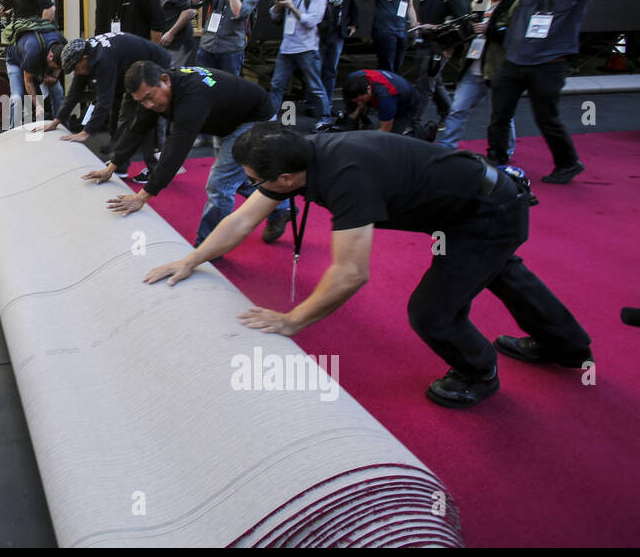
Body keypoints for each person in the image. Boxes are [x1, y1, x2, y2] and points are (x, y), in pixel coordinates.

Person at [143, 123, 593, 409]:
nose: (252, 186)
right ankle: (566, 346)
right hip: (467, 202)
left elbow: (352, 272)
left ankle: (479, 372)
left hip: (488, 212)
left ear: (285, 179)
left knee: (432, 311)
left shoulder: (346, 176)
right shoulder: (298, 157)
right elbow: (242, 218)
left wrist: (293, 320)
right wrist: (192, 259)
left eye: (255, 180)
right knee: (499, 271)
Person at [81, 62, 289, 246]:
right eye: (142, 101)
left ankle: (207, 247)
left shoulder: (191, 97)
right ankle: (281, 207)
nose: (149, 105)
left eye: (150, 98)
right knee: (240, 179)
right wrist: (111, 167)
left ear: (165, 80)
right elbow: (137, 129)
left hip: (252, 119)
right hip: (226, 118)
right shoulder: (153, 91)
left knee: (220, 183)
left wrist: (143, 196)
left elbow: (176, 149)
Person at [483, 0, 599, 184]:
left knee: (547, 118)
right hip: (515, 60)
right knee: (499, 113)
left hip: (550, 63)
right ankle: (497, 159)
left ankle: (568, 163)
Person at [37, 33, 170, 175]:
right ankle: (120, 165)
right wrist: (57, 120)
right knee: (125, 120)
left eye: (76, 68)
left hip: (156, 68)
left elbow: (104, 101)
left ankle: (157, 171)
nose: (76, 72)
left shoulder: (103, 60)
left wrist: (86, 132)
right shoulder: (83, 54)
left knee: (147, 121)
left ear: (84, 59)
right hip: (134, 74)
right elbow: (74, 93)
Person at [437, 0, 516, 155]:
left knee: (502, 114)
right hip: (473, 65)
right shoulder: (479, 3)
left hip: (499, 69)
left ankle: (506, 149)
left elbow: (516, 36)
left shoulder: (515, 5)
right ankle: (448, 146)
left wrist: (491, 31)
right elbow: (468, 30)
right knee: (457, 109)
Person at [267, 0, 332, 125]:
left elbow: (311, 21)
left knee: (315, 86)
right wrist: (278, 5)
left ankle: (324, 119)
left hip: (307, 47)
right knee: (276, 84)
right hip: (287, 47)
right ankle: (271, 116)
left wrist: (292, 6)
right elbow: (274, 16)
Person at [308, 0, 358, 116]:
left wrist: (353, 23)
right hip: (319, 30)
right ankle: (313, 104)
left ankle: (326, 105)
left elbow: (350, 2)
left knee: (331, 69)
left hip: (338, 30)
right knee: (314, 67)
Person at [4, 24, 65, 128]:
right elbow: (28, 81)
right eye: (54, 67)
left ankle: (61, 127)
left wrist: (54, 77)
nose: (55, 68)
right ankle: (12, 132)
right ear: (50, 56)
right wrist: (37, 106)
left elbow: (60, 65)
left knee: (58, 91)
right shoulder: (33, 51)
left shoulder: (62, 42)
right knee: (17, 96)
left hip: (37, 60)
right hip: (15, 61)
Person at [342, 69, 428, 137]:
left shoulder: (386, 98)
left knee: (392, 138)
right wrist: (354, 115)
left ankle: (426, 131)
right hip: (389, 91)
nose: (359, 103)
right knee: (352, 116)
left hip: (406, 104)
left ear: (369, 89)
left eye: (361, 100)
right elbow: (355, 103)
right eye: (357, 101)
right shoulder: (353, 78)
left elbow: (385, 130)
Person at [143, 0, 195, 68]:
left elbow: (190, 11)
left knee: (172, 74)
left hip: (177, 43)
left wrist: (171, 33)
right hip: (160, 43)